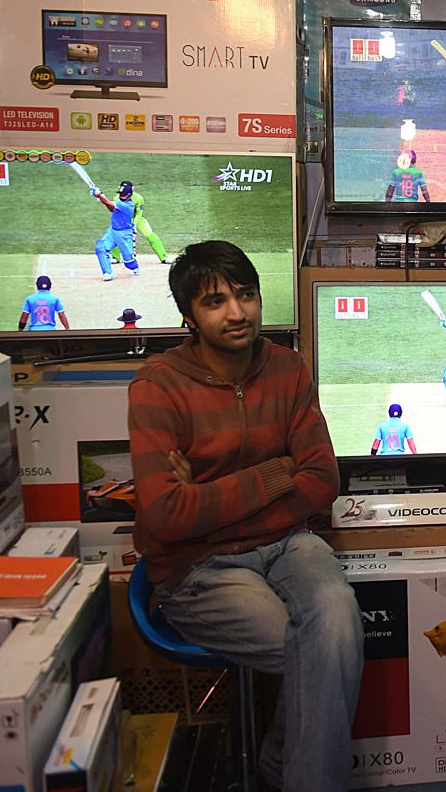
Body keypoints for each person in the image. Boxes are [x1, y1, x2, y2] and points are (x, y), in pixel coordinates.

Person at [127, 241, 361, 792]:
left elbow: (323, 481)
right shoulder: (156, 385)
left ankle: (279, 764)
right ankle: (287, 771)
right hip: (198, 565)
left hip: (289, 545)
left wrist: (206, 500)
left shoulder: (287, 368)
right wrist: (278, 472)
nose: (237, 313)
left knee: (338, 621)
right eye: (215, 302)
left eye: (246, 295)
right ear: (189, 317)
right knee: (316, 650)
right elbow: (166, 517)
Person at [93, 181, 141, 281]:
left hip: (124, 234)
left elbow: (108, 202)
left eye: (123, 194)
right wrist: (100, 197)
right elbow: (110, 207)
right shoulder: (119, 201)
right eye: (120, 193)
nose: (121, 196)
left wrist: (100, 195)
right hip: (112, 231)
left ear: (129, 195)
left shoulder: (129, 205)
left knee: (128, 262)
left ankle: (135, 267)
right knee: (101, 248)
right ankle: (108, 273)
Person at [110, 182, 167, 264]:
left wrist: (134, 224)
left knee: (150, 234)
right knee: (115, 235)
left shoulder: (138, 198)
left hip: (137, 218)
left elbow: (139, 213)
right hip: (123, 219)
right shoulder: (116, 199)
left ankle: (164, 257)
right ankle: (115, 257)